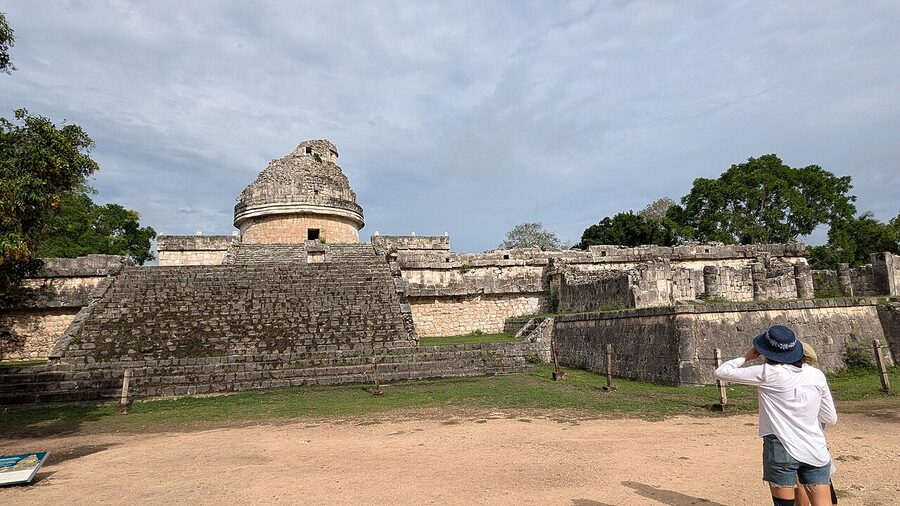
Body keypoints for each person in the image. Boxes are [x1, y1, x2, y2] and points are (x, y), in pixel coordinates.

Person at [715, 325, 837, 506]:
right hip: (814, 447)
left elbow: (721, 372)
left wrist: (746, 357)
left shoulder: (767, 373)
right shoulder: (816, 375)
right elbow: (830, 417)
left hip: (781, 447)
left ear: (765, 351)